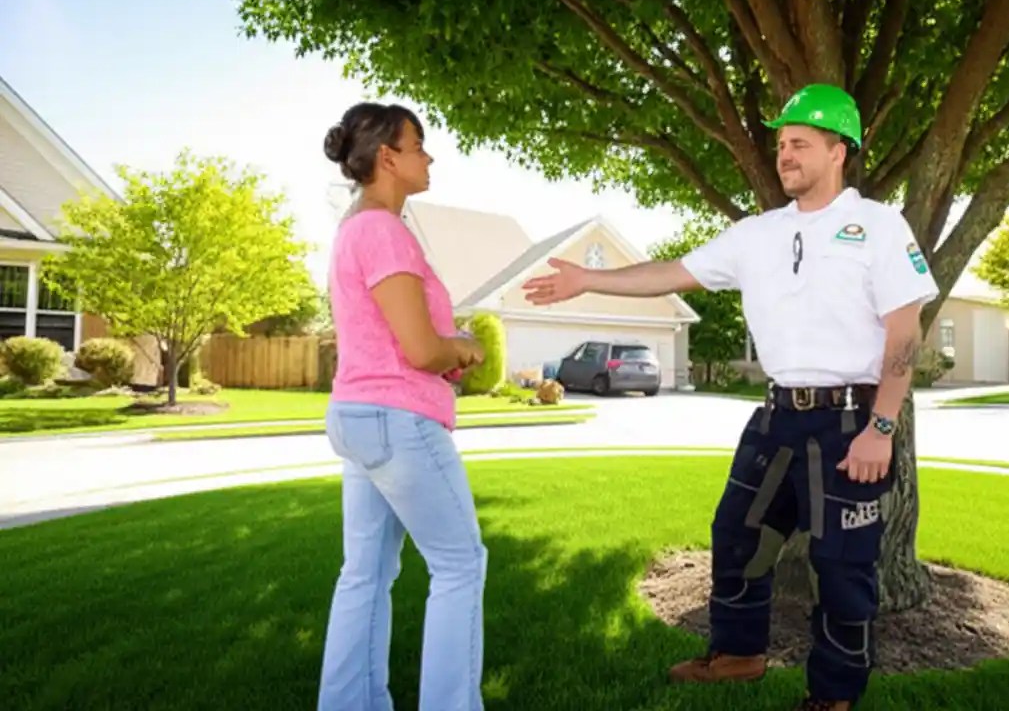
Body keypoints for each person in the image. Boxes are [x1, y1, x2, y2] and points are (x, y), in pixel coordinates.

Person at [522, 84, 939, 710]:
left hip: (850, 422)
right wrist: (589, 280)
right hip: (776, 418)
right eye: (780, 145)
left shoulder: (877, 226)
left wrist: (881, 428)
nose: (785, 154)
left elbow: (904, 332)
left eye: (799, 143)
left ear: (838, 151)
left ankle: (834, 694)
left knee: (842, 567)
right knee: (737, 534)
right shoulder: (757, 235)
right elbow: (671, 272)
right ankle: (739, 654)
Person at [319, 101, 489, 711]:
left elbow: (389, 336)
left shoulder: (353, 229)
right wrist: (461, 346)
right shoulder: (384, 231)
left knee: (364, 573)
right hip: (399, 420)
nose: (428, 157)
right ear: (388, 158)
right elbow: (418, 349)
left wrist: (442, 351)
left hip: (360, 418)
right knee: (460, 565)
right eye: (418, 147)